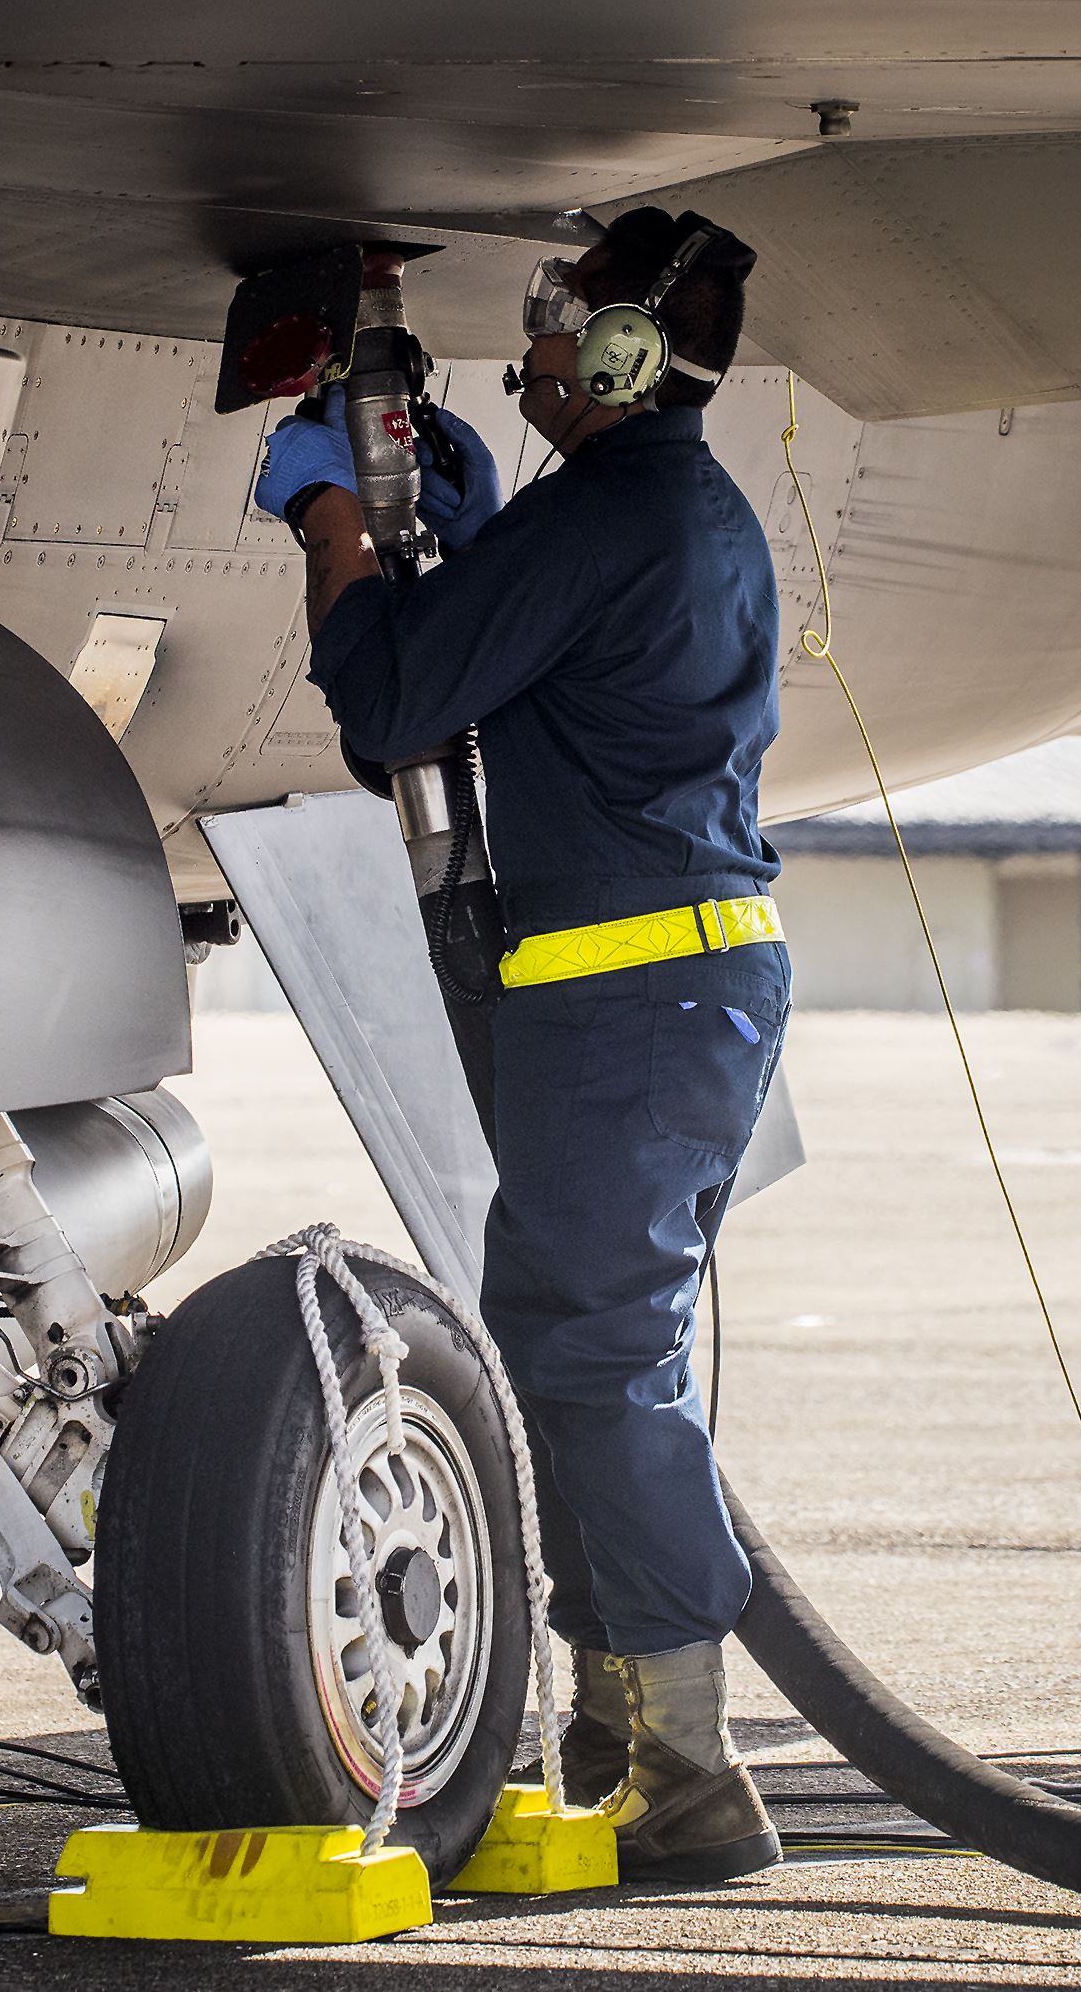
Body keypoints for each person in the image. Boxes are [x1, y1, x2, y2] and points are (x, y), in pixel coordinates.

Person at [251, 208, 787, 1881]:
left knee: (598, 1348)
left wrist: (332, 513)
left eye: (567, 319)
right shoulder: (664, 508)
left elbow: (395, 709)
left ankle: (690, 1769)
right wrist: (489, 548)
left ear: (629, 355)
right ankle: (620, 1731)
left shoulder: (614, 516)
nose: (537, 342)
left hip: (625, 995)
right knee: (566, 1333)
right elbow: (526, 664)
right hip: (656, 988)